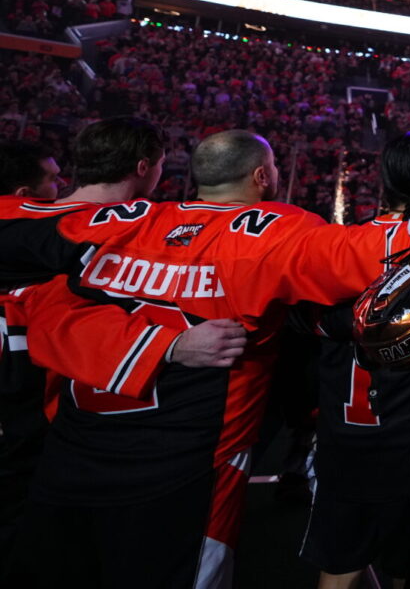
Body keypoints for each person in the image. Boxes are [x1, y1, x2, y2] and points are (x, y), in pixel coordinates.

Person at [0, 130, 410, 589]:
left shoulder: (135, 219)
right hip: (186, 471)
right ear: (262, 176)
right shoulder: (271, 231)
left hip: (72, 457)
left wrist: (147, 342)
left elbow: (41, 285)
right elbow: (347, 253)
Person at [0, 121, 245, 571]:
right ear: (145, 168)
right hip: (58, 434)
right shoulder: (135, 228)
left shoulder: (18, 217)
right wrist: (170, 344)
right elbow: (61, 317)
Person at [301, 132, 410, 589]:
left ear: (383, 178)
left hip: (343, 438)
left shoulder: (336, 244)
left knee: (338, 570)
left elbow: (305, 323)